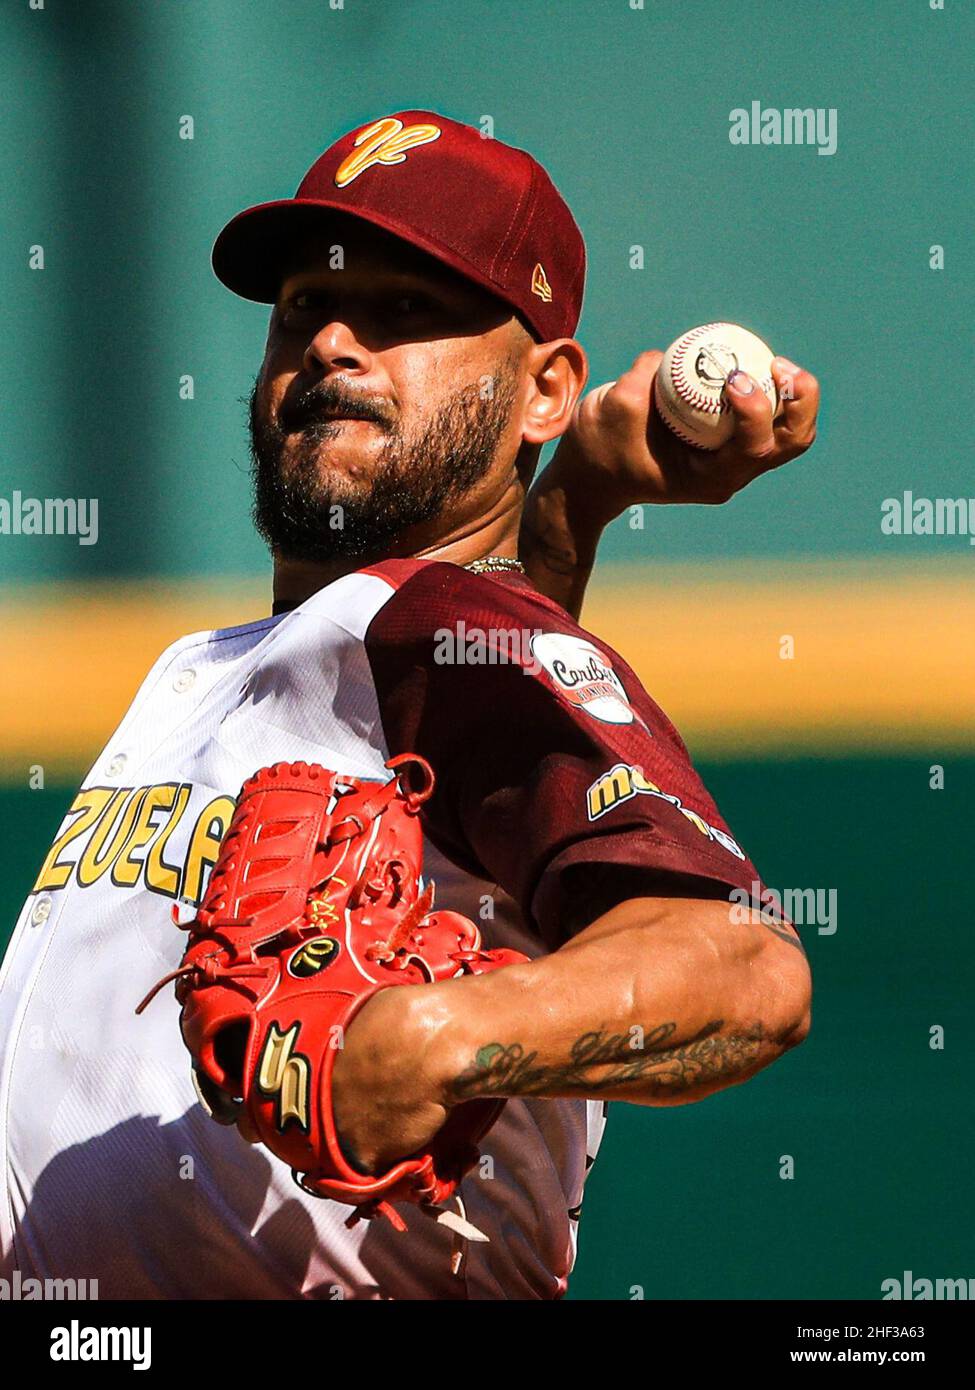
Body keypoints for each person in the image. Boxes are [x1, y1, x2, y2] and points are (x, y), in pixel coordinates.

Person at [0, 110, 818, 1300]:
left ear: (545, 390)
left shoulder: (429, 631)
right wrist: (572, 501)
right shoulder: (257, 656)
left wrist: (448, 1035)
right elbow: (452, 665)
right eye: (301, 311)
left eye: (402, 310)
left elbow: (745, 967)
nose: (332, 340)